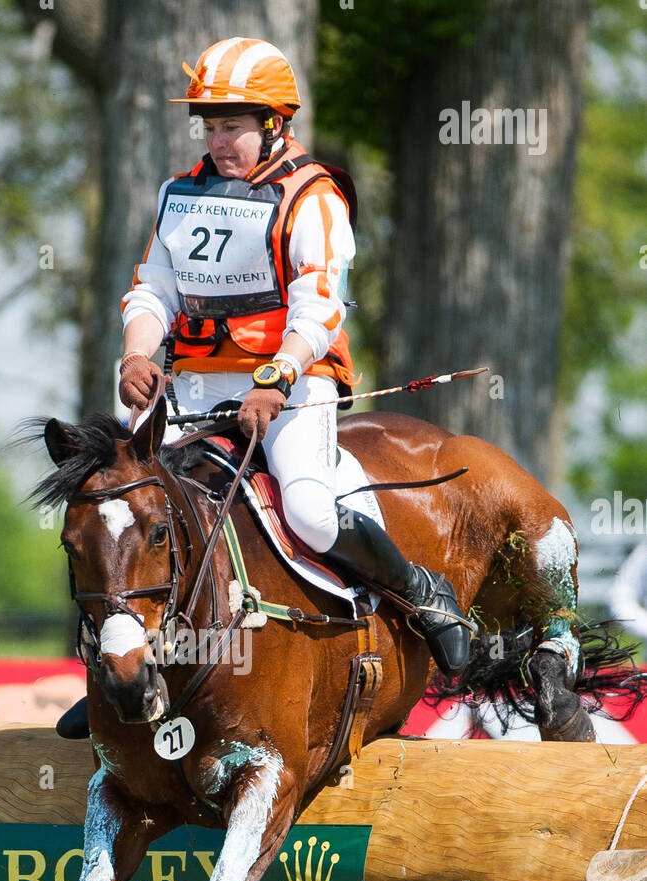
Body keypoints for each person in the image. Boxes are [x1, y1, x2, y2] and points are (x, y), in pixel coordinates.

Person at [57, 37, 470, 739]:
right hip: (190, 389)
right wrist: (135, 352)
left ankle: (422, 593)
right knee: (122, 510)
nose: (219, 142)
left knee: (308, 508)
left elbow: (318, 308)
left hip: (291, 383)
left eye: (233, 128)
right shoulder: (179, 195)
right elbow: (152, 287)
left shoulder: (314, 196)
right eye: (211, 128)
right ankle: (118, 669)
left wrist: (274, 379)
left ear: (274, 125)